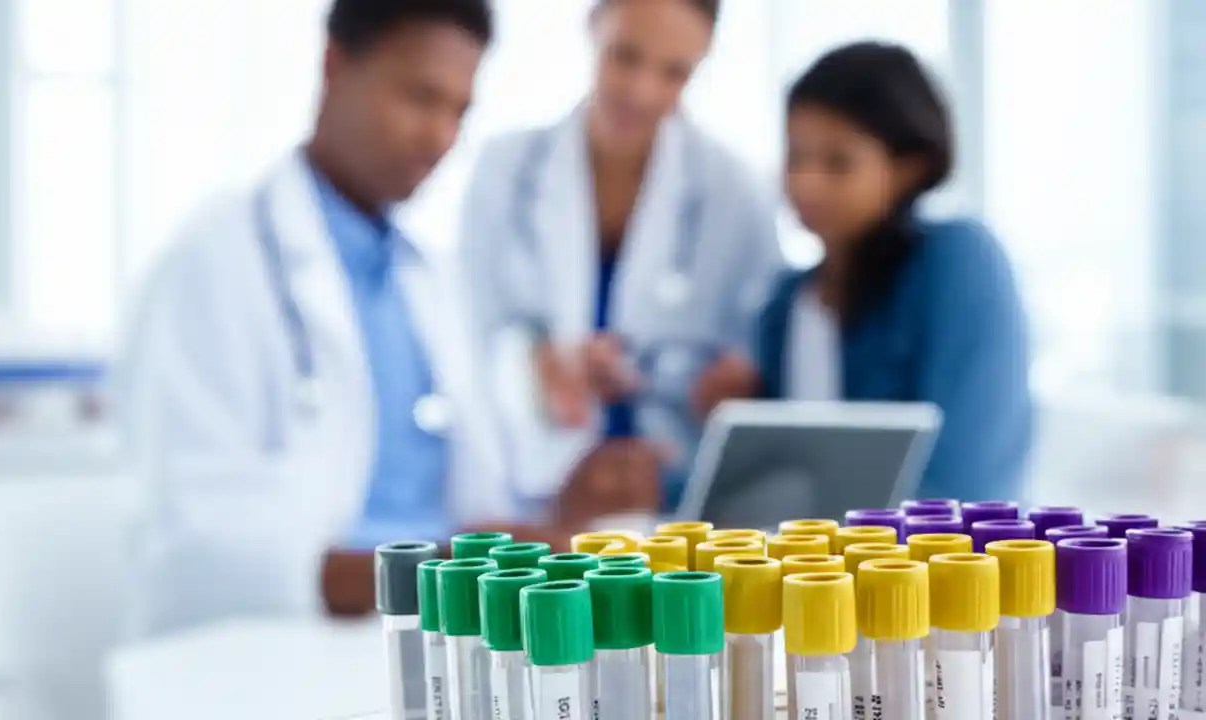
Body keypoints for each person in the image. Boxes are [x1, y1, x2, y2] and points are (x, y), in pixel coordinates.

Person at [120, 0, 648, 636]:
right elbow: (194, 548)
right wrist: (427, 572)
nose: (439, 138)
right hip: (278, 642)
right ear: (334, 65)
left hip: (420, 628)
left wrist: (562, 504)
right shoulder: (212, 264)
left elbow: (463, 506)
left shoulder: (424, 278)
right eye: (420, 98)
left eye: (459, 111)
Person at [461, 0, 782, 511]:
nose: (641, 91)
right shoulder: (505, 170)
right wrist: (538, 367)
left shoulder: (737, 192)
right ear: (592, 26)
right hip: (539, 488)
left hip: (679, 493)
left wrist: (732, 380)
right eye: (624, 57)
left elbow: (762, 352)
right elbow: (470, 334)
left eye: (674, 72)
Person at [698, 42, 1032, 501]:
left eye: (838, 162)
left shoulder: (958, 261)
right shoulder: (785, 304)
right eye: (796, 157)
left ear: (908, 168)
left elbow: (964, 484)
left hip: (935, 565)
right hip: (817, 564)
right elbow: (780, 474)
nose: (805, 183)